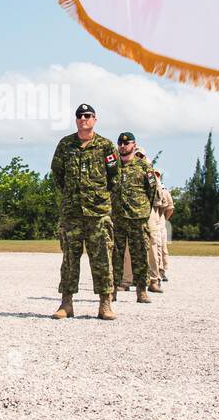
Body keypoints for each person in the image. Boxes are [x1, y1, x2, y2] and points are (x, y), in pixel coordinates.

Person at [50, 104, 118, 320]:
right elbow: (57, 174)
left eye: (87, 116)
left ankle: (105, 304)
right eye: (79, 116)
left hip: (98, 213)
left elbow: (114, 177)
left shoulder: (106, 146)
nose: (83, 119)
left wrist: (99, 198)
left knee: (102, 259)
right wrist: (71, 195)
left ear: (95, 119)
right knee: (70, 258)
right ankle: (66, 303)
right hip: (72, 213)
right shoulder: (65, 145)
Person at [111, 133, 155, 303]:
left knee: (140, 255)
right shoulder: (113, 167)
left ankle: (142, 290)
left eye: (126, 143)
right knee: (115, 255)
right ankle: (112, 289)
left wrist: (143, 210)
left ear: (134, 145)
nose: (122, 146)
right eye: (120, 143)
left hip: (138, 218)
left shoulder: (144, 166)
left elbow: (151, 192)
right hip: (117, 218)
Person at [147, 163, 174, 290]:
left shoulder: (150, 176)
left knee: (157, 245)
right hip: (129, 213)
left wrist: (160, 218)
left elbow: (164, 204)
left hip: (152, 213)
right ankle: (126, 280)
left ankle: (156, 276)